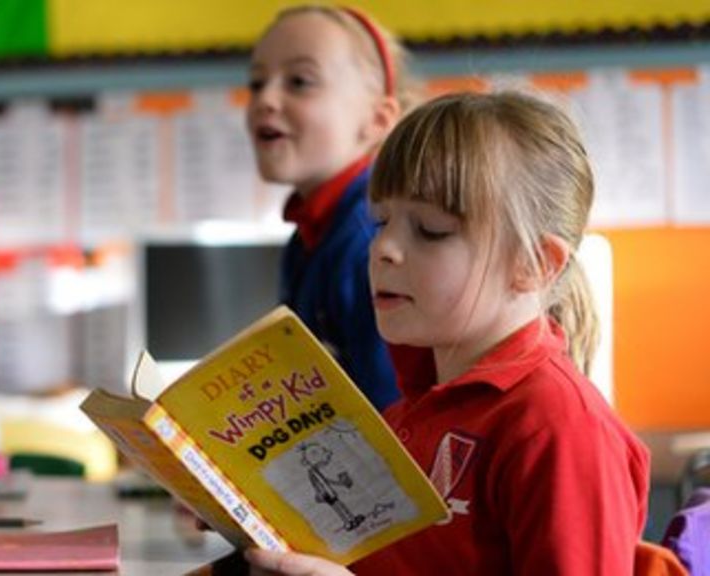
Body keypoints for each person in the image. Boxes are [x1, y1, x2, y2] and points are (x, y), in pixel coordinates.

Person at [245, 91, 651, 574]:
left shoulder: (557, 428)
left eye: (431, 230)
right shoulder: (406, 413)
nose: (384, 249)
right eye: (380, 222)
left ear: (533, 265)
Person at [247, 4, 414, 410]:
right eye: (256, 83)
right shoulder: (307, 236)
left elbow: (390, 419)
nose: (265, 99)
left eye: (300, 82)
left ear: (377, 119)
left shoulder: (373, 239)